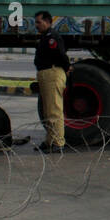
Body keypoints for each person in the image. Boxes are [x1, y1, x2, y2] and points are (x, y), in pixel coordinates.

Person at [34, 10, 70, 153]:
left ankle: (58, 142)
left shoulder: (52, 37)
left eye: (39, 22)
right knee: (47, 110)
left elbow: (60, 54)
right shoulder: (44, 37)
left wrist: (67, 67)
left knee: (54, 110)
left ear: (48, 22)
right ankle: (49, 141)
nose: (36, 25)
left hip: (52, 73)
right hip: (46, 73)